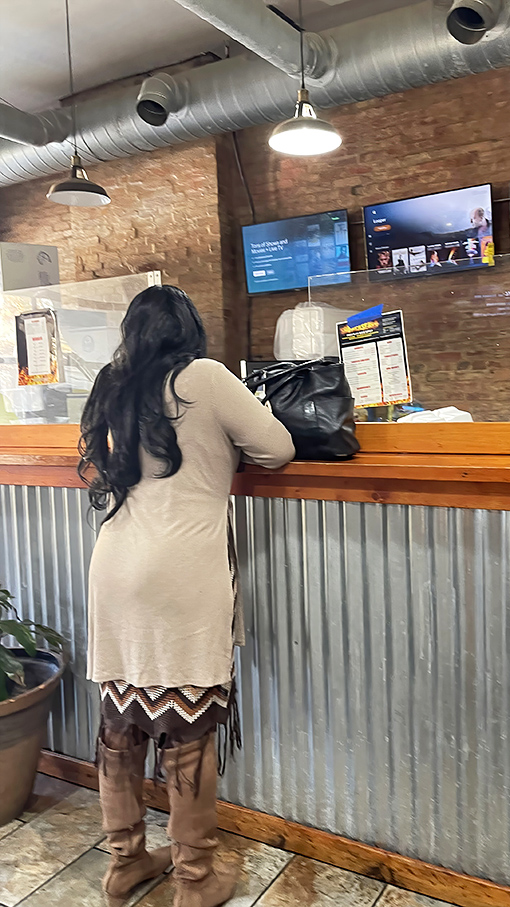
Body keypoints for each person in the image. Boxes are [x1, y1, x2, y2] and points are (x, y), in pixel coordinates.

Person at [79, 285, 295, 907]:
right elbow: (277, 449)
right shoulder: (204, 375)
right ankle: (195, 880)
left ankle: (125, 863)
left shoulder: (109, 385)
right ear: (189, 331)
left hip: (115, 569)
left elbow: (100, 468)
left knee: (120, 724)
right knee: (187, 730)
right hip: (182, 574)